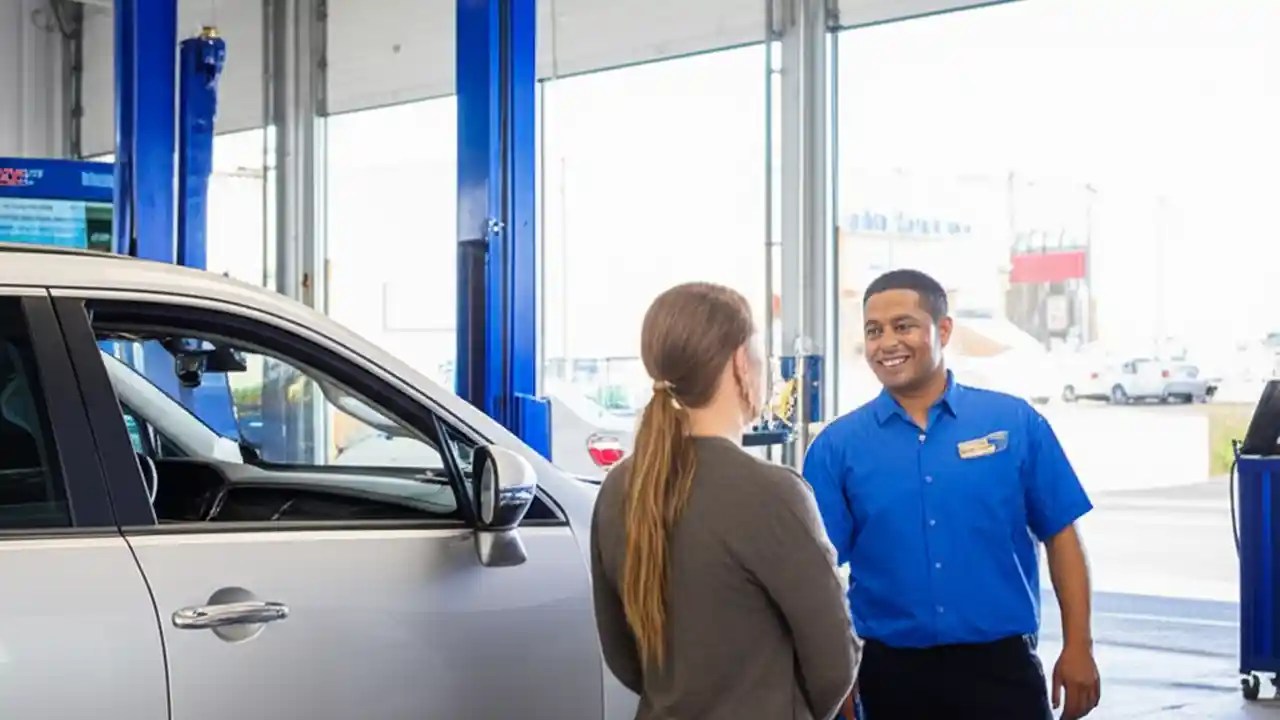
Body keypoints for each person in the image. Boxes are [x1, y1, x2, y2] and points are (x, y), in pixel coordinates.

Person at [803, 269, 1101, 720]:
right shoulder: (836, 448)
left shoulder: (1014, 423)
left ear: (943, 330)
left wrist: (1079, 645)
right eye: (874, 330)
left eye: (903, 326)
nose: (887, 343)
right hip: (888, 676)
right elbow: (817, 572)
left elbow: (1062, 536)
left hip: (1002, 670)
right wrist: (833, 669)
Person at [591, 281, 860, 720]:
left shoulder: (621, 486)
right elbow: (835, 665)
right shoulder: (772, 492)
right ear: (740, 361)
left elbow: (622, 656)